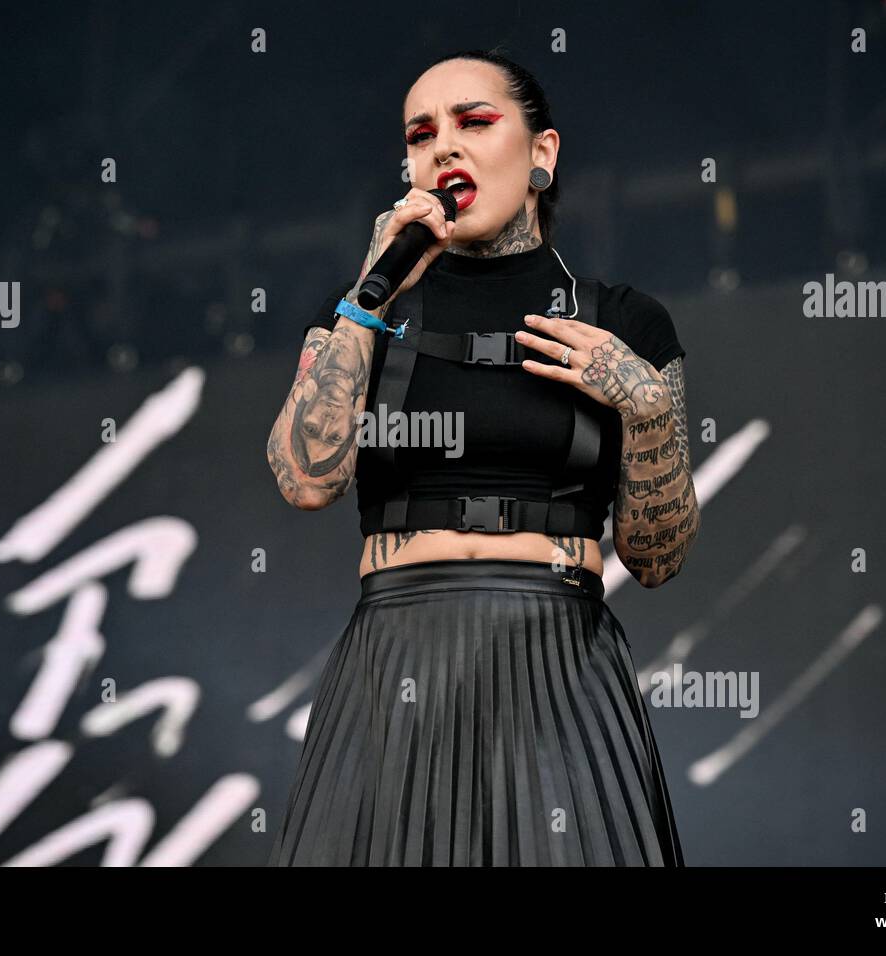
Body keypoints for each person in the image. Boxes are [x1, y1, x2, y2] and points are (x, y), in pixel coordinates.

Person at [265, 48, 698, 866]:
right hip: (396, 654)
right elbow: (305, 479)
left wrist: (644, 408)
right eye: (421, 134)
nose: (444, 147)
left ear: (542, 155)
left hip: (559, 654)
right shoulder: (364, 311)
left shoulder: (625, 320)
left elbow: (657, 558)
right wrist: (368, 297)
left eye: (474, 122)